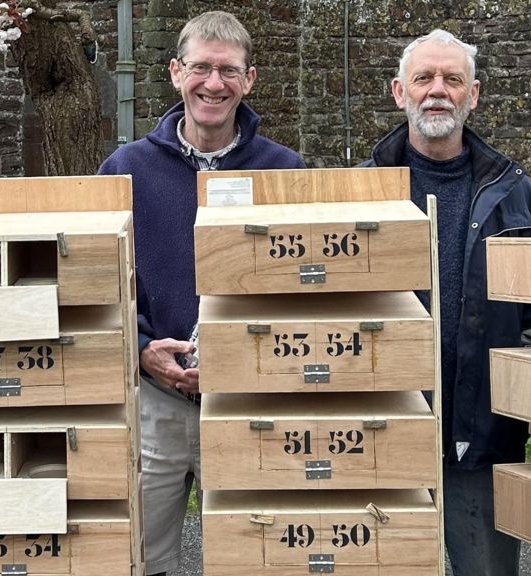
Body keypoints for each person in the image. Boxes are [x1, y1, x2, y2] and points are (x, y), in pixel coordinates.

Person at [98, 11, 304, 576]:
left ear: (250, 79)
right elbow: (99, 278)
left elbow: (305, 290)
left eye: (228, 71)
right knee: (139, 559)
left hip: (251, 402)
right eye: (201, 68)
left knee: (254, 557)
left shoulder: (284, 171)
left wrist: (239, 358)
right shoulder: (124, 170)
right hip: (153, 404)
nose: (214, 83)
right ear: (174, 72)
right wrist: (142, 348)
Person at [362, 29, 531, 575]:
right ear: (400, 92)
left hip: (485, 440)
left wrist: (518, 388)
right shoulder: (364, 191)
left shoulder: (523, 198)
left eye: (452, 79)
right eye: (424, 78)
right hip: (382, 437)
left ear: (475, 93)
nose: (437, 91)